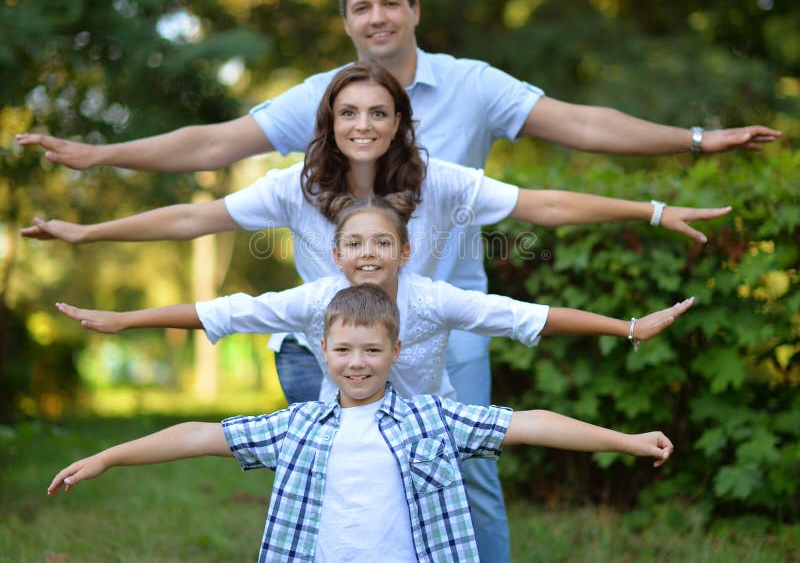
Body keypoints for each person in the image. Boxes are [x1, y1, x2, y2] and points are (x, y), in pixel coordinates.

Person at [23, 60, 727, 561]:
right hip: (320, 353)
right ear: (328, 122)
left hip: (422, 385)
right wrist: (90, 233)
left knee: (445, 485)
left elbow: (537, 236)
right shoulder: (295, 204)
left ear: (401, 121)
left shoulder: (437, 212)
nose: (363, 124)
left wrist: (654, 213)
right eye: (348, 111)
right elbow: (200, 244)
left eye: (379, 111)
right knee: (331, 475)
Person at [48, 284, 674, 563]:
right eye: (344, 351)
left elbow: (532, 423)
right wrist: (108, 456)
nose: (357, 363)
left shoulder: (434, 419)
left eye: (372, 351)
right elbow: (196, 434)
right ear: (323, 351)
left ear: (396, 353)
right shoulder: (297, 428)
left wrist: (624, 442)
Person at [54, 194, 696, 402]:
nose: (366, 254)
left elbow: (528, 318)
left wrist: (629, 327)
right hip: (350, 419)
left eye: (380, 244)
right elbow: (223, 312)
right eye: (353, 244)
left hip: (425, 422)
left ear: (405, 252)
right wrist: (125, 320)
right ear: (335, 255)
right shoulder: (315, 299)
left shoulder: (435, 297)